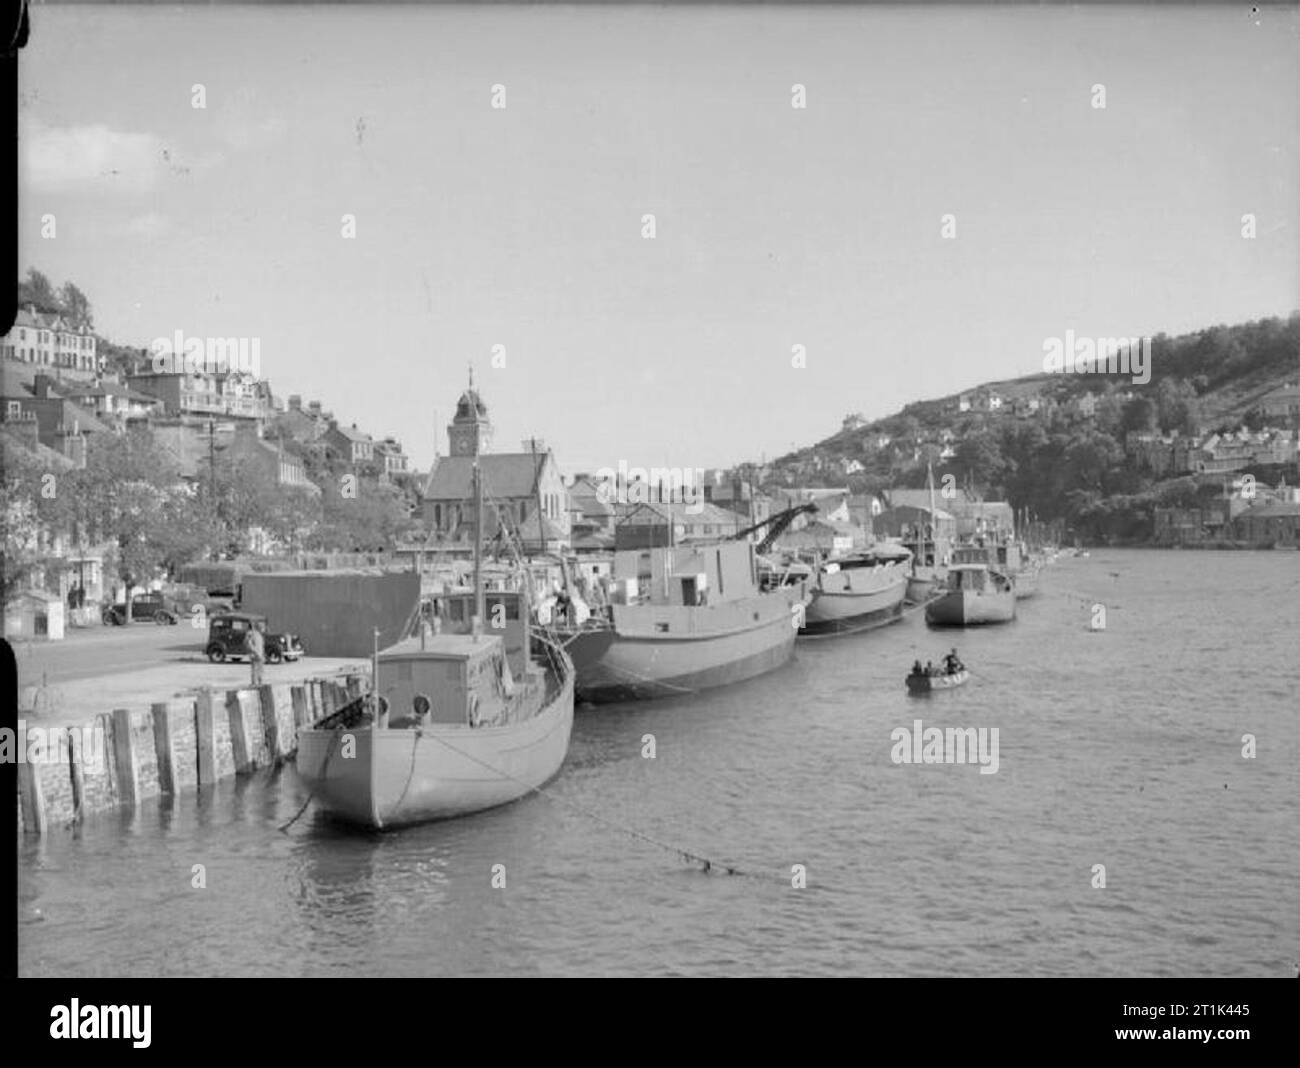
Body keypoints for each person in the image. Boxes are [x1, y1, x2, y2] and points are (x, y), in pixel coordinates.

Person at [247, 621, 265, 687]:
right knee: (254, 669)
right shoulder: (253, 634)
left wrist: (262, 654)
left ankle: (260, 682)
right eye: (262, 628)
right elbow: (249, 644)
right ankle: (254, 683)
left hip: (260, 655)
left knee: (260, 669)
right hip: (255, 655)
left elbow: (261, 646)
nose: (263, 629)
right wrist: (255, 651)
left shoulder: (260, 635)